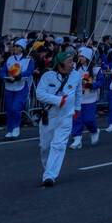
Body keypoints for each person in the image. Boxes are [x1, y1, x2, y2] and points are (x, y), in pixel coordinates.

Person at [36, 49, 82, 187]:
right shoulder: (48, 76)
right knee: (45, 147)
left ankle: (50, 175)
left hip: (66, 116)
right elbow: (39, 94)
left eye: (72, 61)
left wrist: (77, 109)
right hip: (49, 115)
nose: (72, 64)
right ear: (60, 63)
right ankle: (48, 169)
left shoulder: (76, 76)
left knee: (59, 145)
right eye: (69, 61)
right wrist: (57, 100)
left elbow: (78, 93)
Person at [1, 38, 33, 140]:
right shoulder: (10, 59)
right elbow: (2, 71)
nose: (15, 48)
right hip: (9, 86)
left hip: (21, 87)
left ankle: (16, 126)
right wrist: (5, 77)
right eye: (15, 46)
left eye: (18, 46)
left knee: (16, 108)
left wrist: (19, 76)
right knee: (9, 109)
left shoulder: (29, 60)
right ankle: (9, 129)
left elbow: (29, 72)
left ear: (22, 49)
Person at [69, 47, 101, 149]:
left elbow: (101, 81)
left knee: (89, 119)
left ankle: (94, 130)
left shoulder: (96, 69)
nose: (80, 58)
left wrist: (92, 85)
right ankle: (77, 139)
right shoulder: (74, 68)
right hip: (77, 98)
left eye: (82, 56)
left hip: (89, 98)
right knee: (76, 119)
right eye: (79, 56)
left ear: (87, 57)